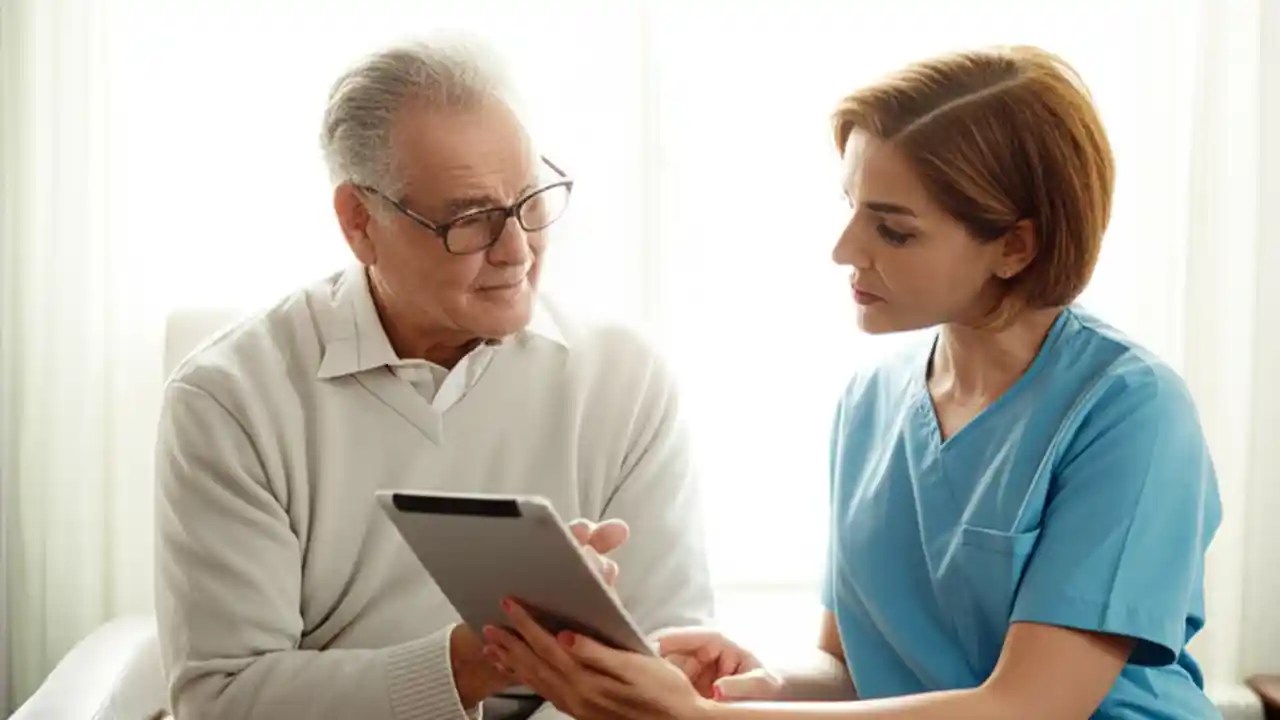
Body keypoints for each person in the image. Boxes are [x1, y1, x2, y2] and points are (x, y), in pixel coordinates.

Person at [484, 45, 1222, 720]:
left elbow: (1028, 707)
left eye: (893, 230)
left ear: (1015, 245)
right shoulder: (872, 403)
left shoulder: (1131, 413)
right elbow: (851, 670)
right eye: (852, 210)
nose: (845, 251)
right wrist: (755, 685)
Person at [153, 38, 712, 720]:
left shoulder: (622, 379)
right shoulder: (229, 398)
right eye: (471, 219)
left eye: (532, 201)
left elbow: (668, 666)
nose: (518, 251)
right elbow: (222, 702)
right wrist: (469, 664)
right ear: (360, 223)